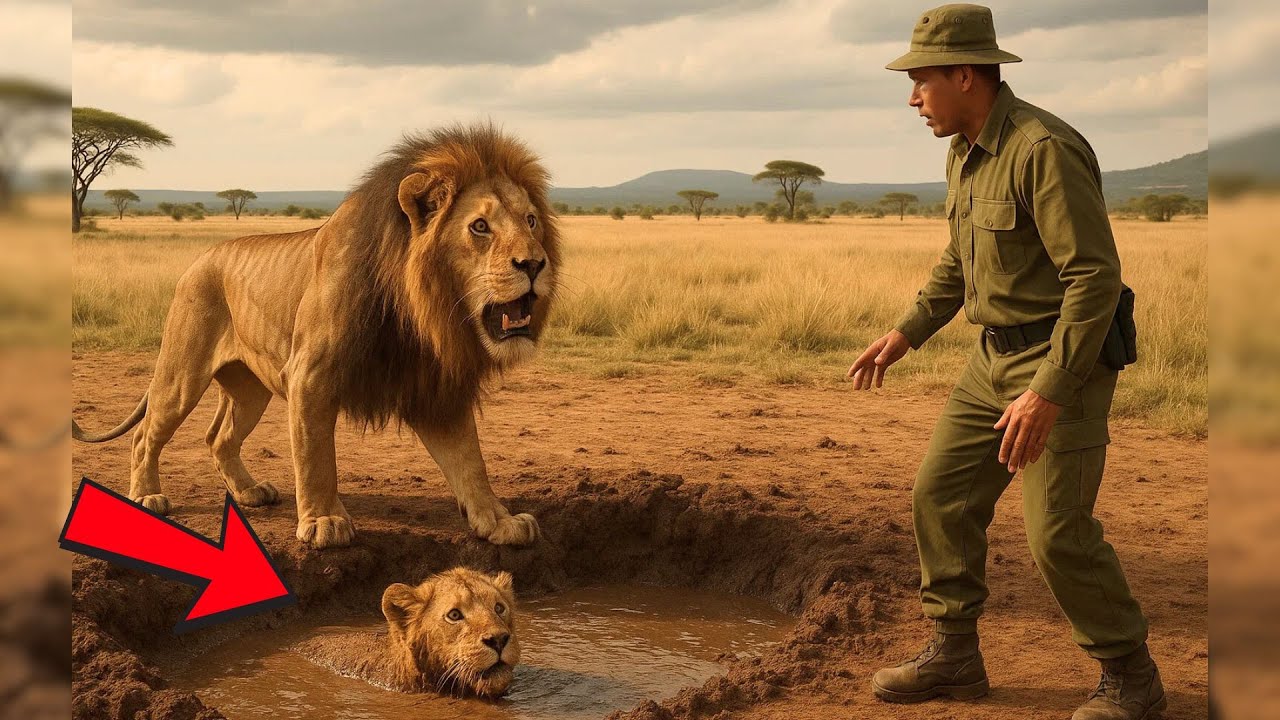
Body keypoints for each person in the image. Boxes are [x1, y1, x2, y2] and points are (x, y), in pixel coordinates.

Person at [846, 5, 1165, 719]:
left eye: (921, 81)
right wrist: (905, 334)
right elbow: (957, 265)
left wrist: (1050, 391)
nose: (911, 98)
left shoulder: (1042, 148)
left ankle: (1131, 675)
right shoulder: (963, 150)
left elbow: (1094, 280)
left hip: (1063, 361)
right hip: (990, 364)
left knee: (1056, 531)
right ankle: (954, 654)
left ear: (966, 75)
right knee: (940, 495)